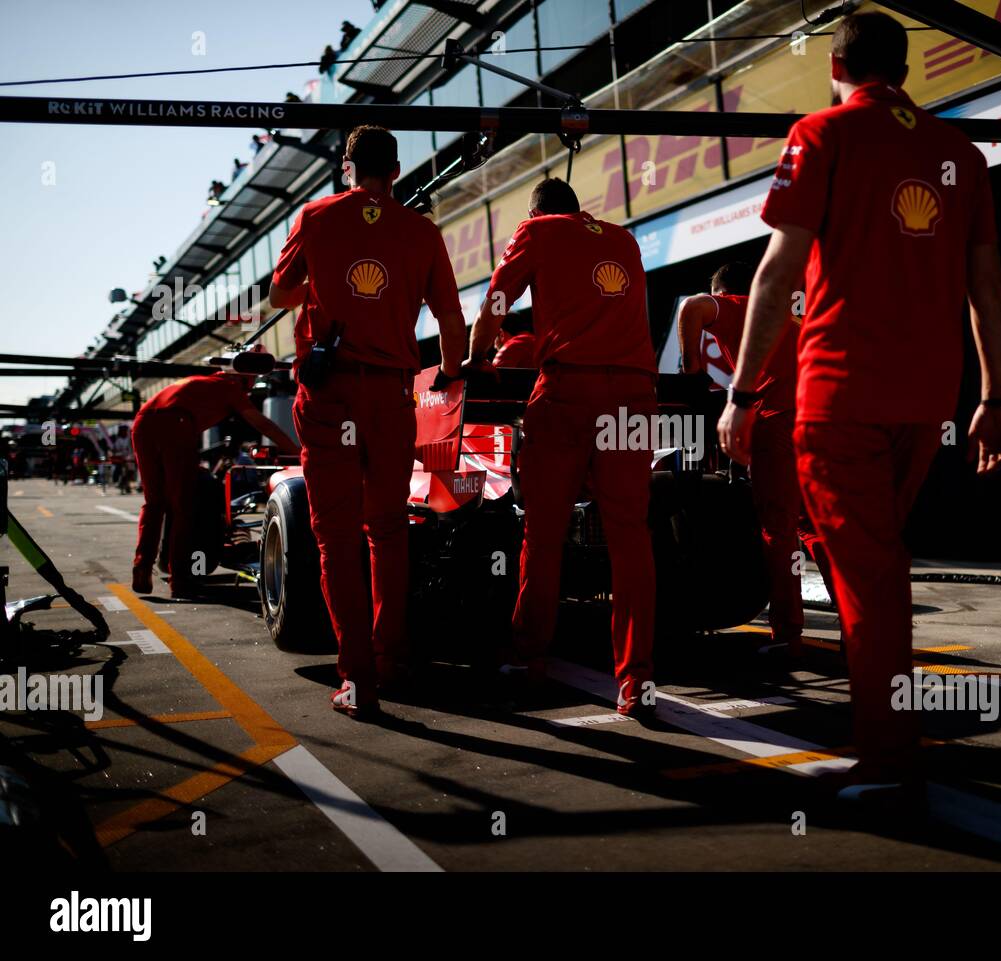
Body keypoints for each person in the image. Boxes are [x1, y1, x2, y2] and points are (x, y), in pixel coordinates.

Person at [718, 12, 1001, 797]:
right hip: (927, 400)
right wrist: (995, 396)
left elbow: (777, 274)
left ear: (837, 63)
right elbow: (987, 287)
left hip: (839, 394)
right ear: (905, 69)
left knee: (871, 578)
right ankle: (894, 731)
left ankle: (889, 755)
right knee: (875, 565)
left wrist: (744, 393)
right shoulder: (959, 153)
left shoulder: (819, 134)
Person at [269, 124, 465, 718]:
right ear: (397, 172)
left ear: (349, 167)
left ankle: (357, 680)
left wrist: (321, 287)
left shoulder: (316, 215)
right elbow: (452, 323)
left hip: (329, 396)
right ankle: (392, 659)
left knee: (334, 538)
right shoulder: (422, 230)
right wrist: (451, 374)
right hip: (390, 398)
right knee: (388, 532)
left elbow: (280, 294)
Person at [467, 177, 658, 718]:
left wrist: (478, 355)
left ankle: (530, 659)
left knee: (543, 531)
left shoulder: (537, 230)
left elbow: (498, 299)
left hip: (569, 390)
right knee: (630, 535)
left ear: (535, 212)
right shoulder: (623, 239)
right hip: (634, 392)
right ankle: (636, 681)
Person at [676, 261, 829, 658]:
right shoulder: (790, 314)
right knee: (817, 528)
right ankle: (856, 630)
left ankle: (787, 636)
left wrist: (690, 369)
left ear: (724, 293)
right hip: (818, 420)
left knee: (777, 532)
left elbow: (692, 307)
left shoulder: (739, 305)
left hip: (776, 421)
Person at [132, 372, 297, 599]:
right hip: (176, 422)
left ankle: (142, 566)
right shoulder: (230, 388)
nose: (247, 394)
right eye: (248, 388)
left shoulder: (200, 383)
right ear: (244, 382)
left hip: (142, 422)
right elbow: (262, 424)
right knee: (184, 506)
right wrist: (298, 452)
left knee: (154, 502)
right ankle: (180, 582)